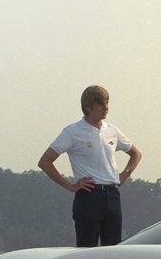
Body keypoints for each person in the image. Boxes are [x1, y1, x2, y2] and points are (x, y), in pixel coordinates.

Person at [38, 85, 142, 247]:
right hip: (89, 195)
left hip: (112, 195)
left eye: (107, 103)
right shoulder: (72, 131)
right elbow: (45, 161)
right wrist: (70, 186)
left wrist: (125, 173)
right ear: (88, 107)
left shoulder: (112, 130)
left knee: (114, 249)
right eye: (101, 104)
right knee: (86, 249)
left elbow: (136, 154)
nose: (106, 107)